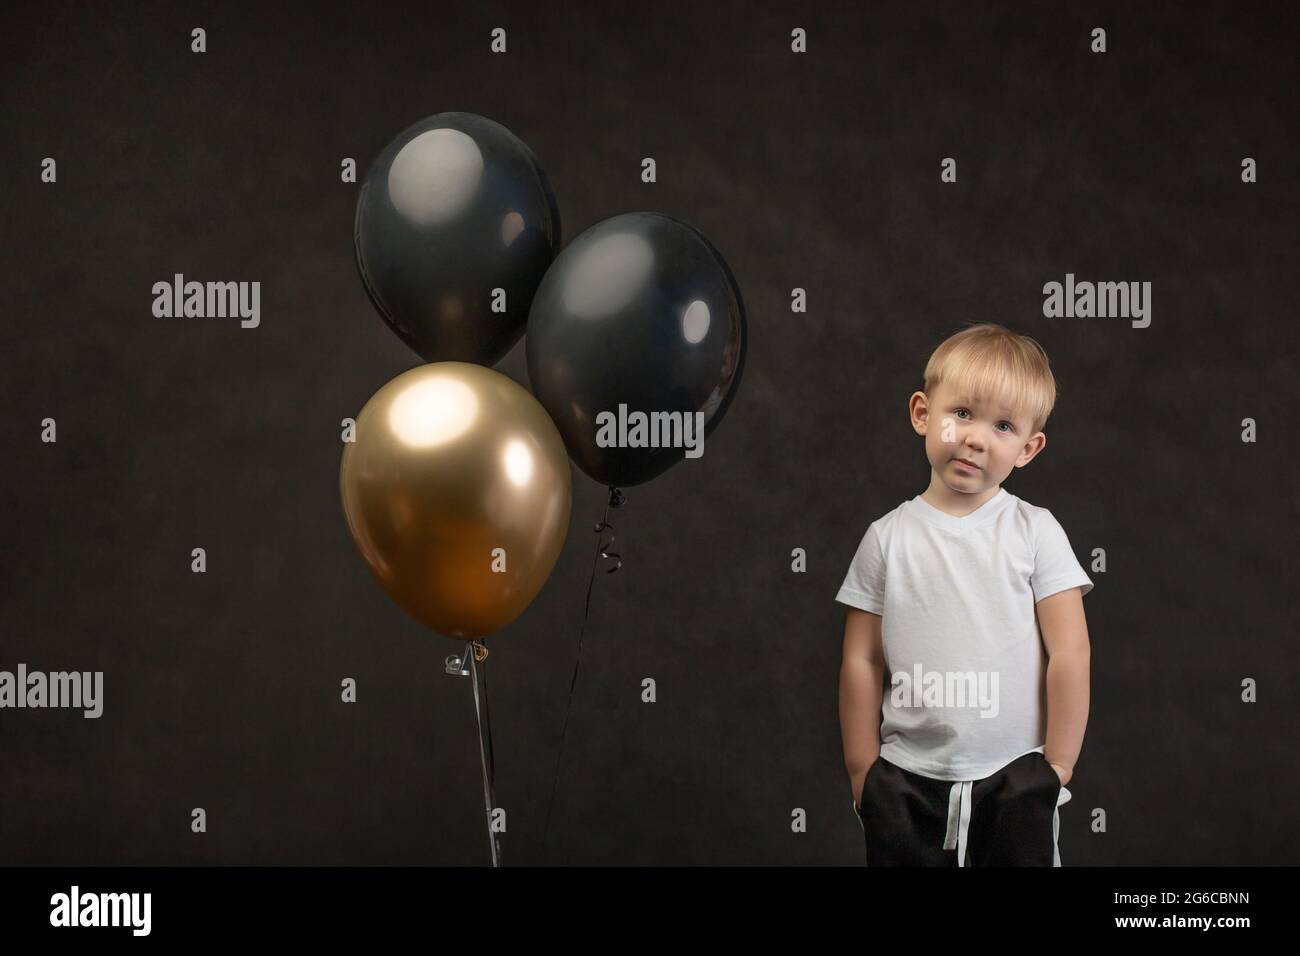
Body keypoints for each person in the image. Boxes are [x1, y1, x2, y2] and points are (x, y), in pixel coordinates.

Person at [837, 322, 1094, 866]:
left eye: (1003, 425)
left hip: (1014, 775)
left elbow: (1070, 651)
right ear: (923, 414)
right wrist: (863, 770)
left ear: (1027, 448)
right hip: (906, 778)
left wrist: (1058, 765)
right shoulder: (887, 538)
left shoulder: (1035, 532)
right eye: (962, 413)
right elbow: (861, 658)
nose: (977, 438)